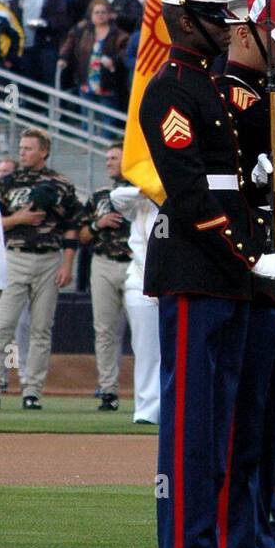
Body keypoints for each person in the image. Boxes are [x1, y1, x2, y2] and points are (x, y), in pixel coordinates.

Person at [139, 0, 275, 548]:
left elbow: (225, 178)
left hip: (229, 272)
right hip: (197, 269)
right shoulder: (171, 91)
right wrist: (252, 256)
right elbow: (188, 193)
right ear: (187, 21)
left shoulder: (209, 88)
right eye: (219, 18)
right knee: (195, 419)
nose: (230, 29)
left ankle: (236, 541)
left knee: (238, 416)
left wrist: (261, 180)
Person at [0, 128, 80, 408]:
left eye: (28, 148)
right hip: (15, 257)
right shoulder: (6, 182)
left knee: (41, 328)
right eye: (20, 148)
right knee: (2, 325)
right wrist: (18, 218)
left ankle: (31, 390)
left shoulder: (61, 184)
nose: (22, 152)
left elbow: (73, 225)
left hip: (49, 258)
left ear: (44, 151)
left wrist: (68, 264)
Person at [79, 143, 131, 411]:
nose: (109, 162)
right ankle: (108, 390)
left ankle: (151, 393)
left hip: (136, 264)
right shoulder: (99, 196)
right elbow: (82, 235)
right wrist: (97, 224)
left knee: (145, 331)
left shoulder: (141, 193)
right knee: (104, 330)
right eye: (108, 157)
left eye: (114, 157)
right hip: (103, 262)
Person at [108, 179, 161, 425]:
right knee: (146, 350)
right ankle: (146, 410)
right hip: (140, 282)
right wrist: (146, 188)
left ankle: (173, 408)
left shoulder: (182, 197)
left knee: (177, 350)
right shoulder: (140, 201)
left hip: (177, 284)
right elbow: (117, 197)